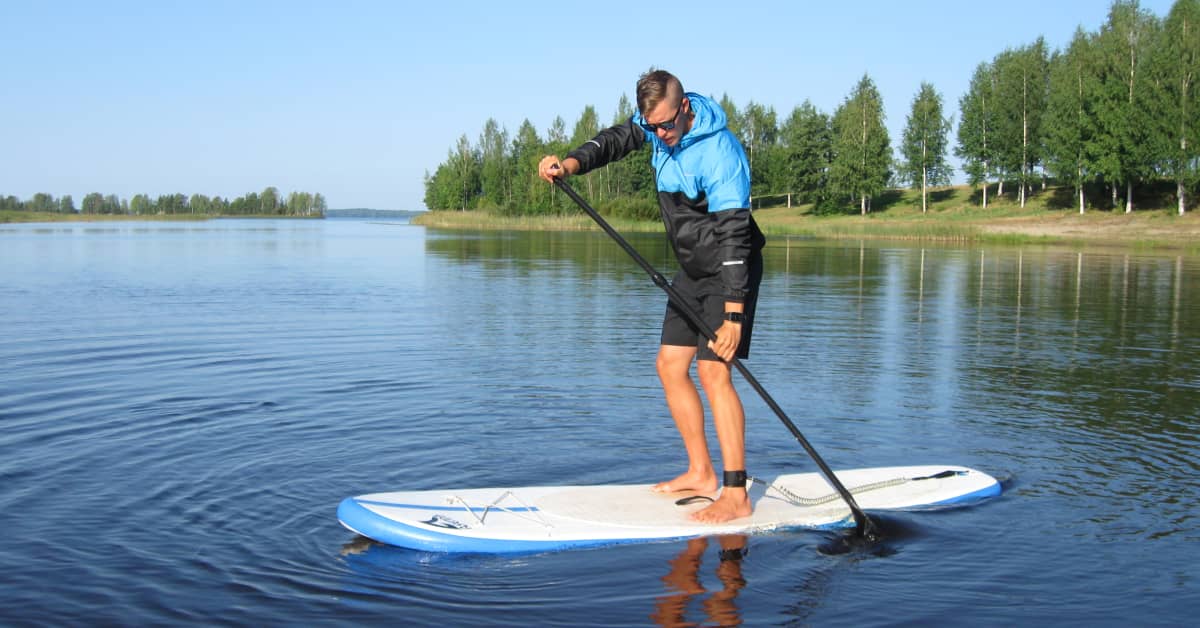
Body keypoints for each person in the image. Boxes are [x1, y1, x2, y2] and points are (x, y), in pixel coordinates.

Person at [537, 69, 765, 523]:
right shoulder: (652, 125)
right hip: (690, 270)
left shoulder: (721, 152)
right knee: (669, 365)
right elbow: (616, 139)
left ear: (684, 108)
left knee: (714, 372)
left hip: (728, 268)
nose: (659, 133)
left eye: (665, 124)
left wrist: (734, 317)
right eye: (652, 125)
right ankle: (701, 473)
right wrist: (570, 164)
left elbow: (736, 235)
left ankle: (735, 492)